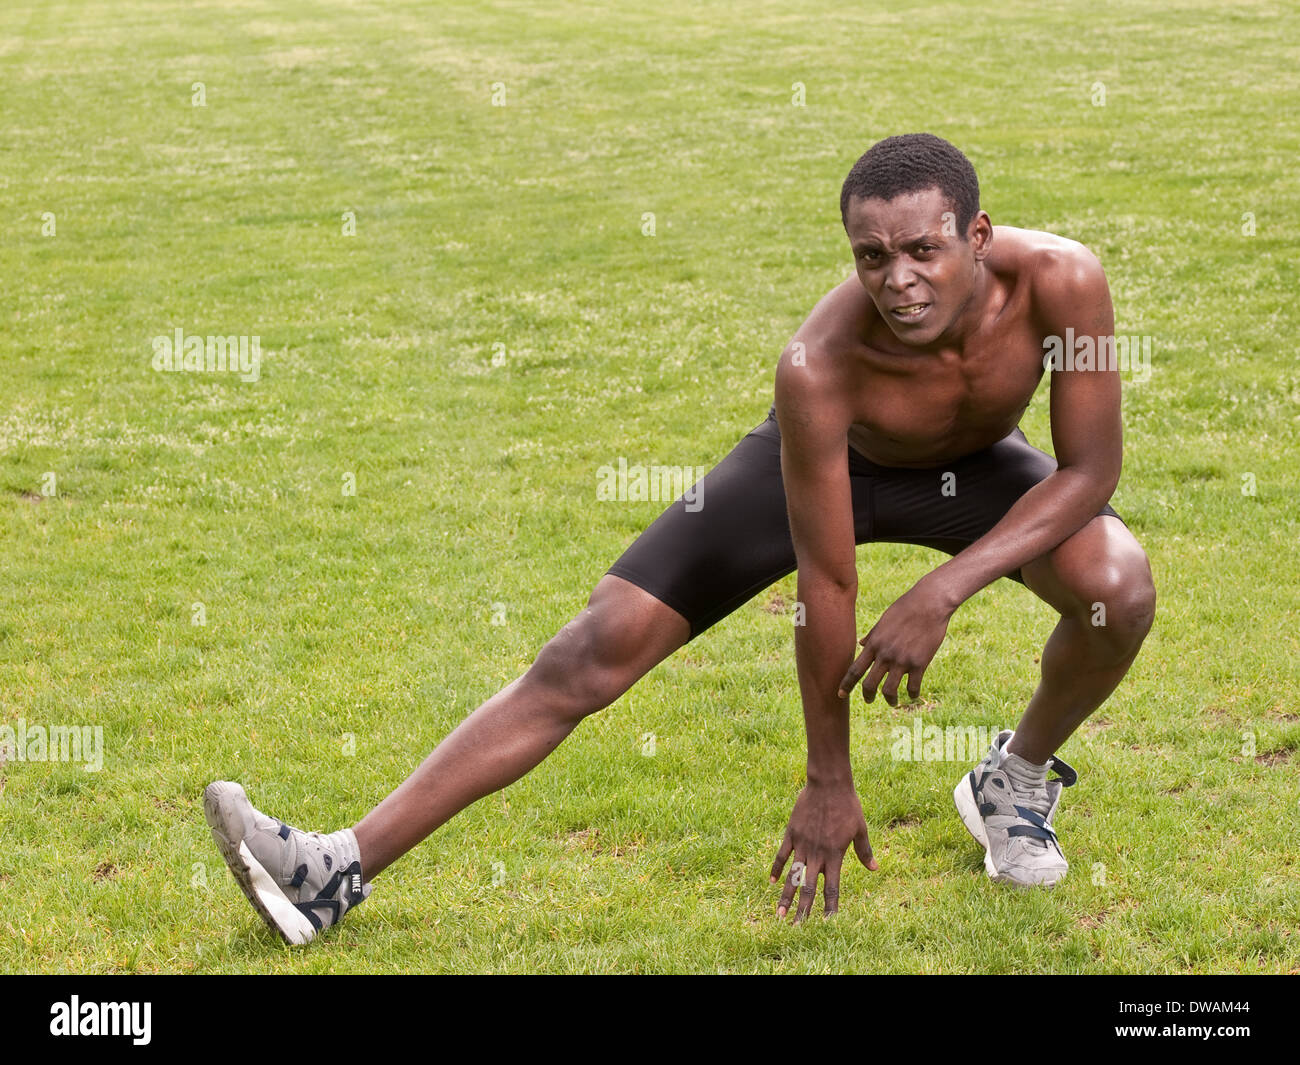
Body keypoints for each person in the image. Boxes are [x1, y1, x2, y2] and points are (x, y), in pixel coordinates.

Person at [204, 133, 1155, 944]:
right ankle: (332, 870)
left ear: (976, 236)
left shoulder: (1066, 283)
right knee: (594, 648)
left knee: (1119, 584)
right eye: (871, 256)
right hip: (829, 464)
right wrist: (830, 776)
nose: (897, 281)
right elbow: (827, 584)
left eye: (921, 250)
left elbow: (1089, 473)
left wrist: (945, 589)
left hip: (978, 472)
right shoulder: (819, 364)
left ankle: (1013, 779)